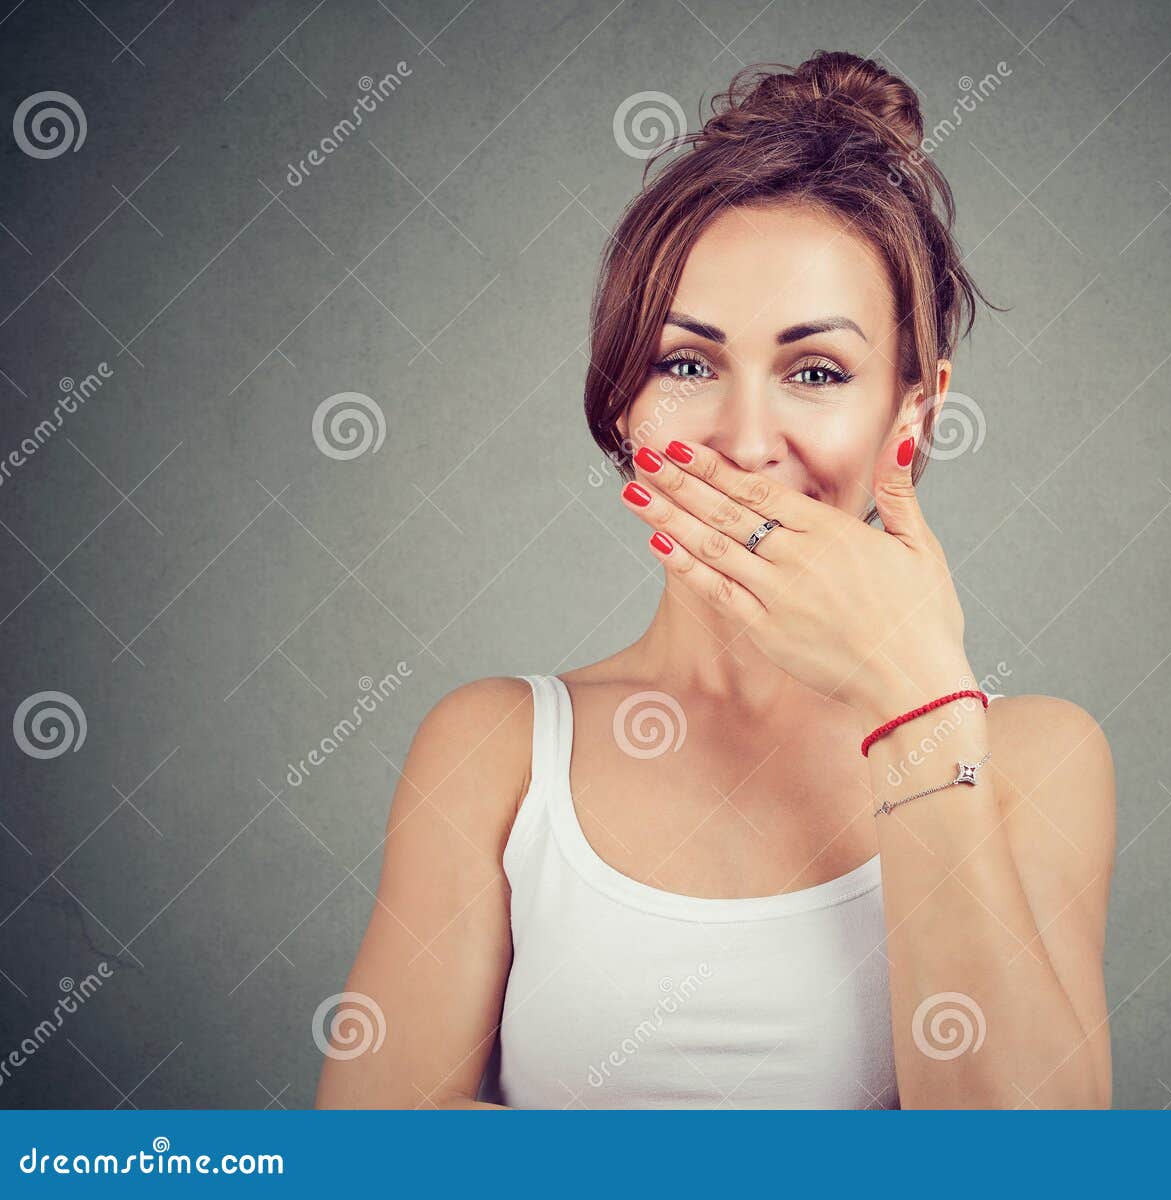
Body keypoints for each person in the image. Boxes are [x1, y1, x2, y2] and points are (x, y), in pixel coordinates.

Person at [316, 49, 1115, 1110]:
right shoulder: (494, 749)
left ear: (911, 417)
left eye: (816, 372)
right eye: (686, 365)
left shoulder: (1030, 762)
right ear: (621, 406)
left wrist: (918, 703)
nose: (743, 441)